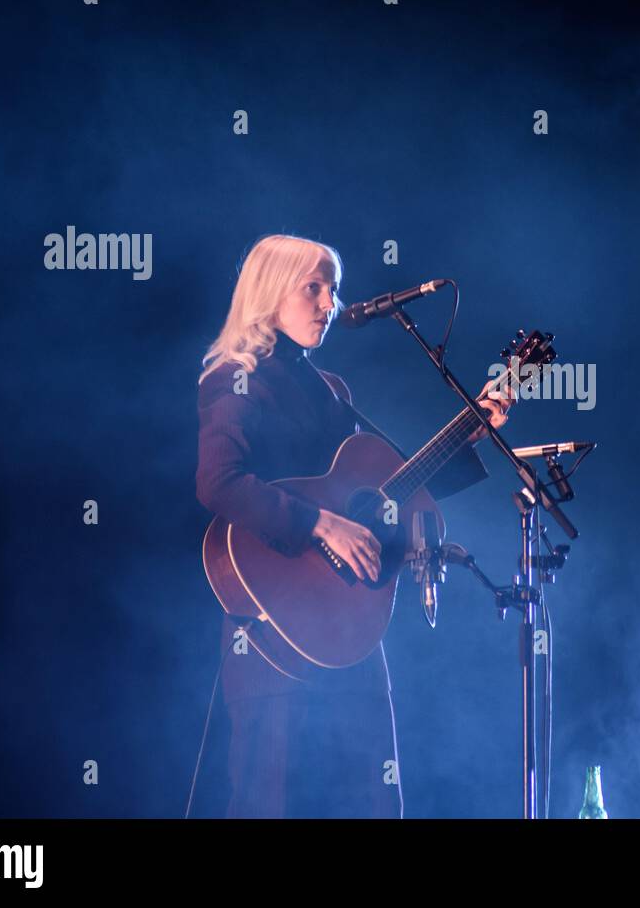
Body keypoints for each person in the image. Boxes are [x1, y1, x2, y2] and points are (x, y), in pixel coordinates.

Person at [192, 233, 511, 817]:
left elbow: (389, 490)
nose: (328, 303)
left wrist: (470, 434)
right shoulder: (234, 378)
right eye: (311, 287)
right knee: (270, 801)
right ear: (268, 292)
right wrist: (320, 526)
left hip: (349, 622)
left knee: (371, 798)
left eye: (333, 290)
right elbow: (219, 483)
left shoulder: (330, 389)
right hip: (272, 629)